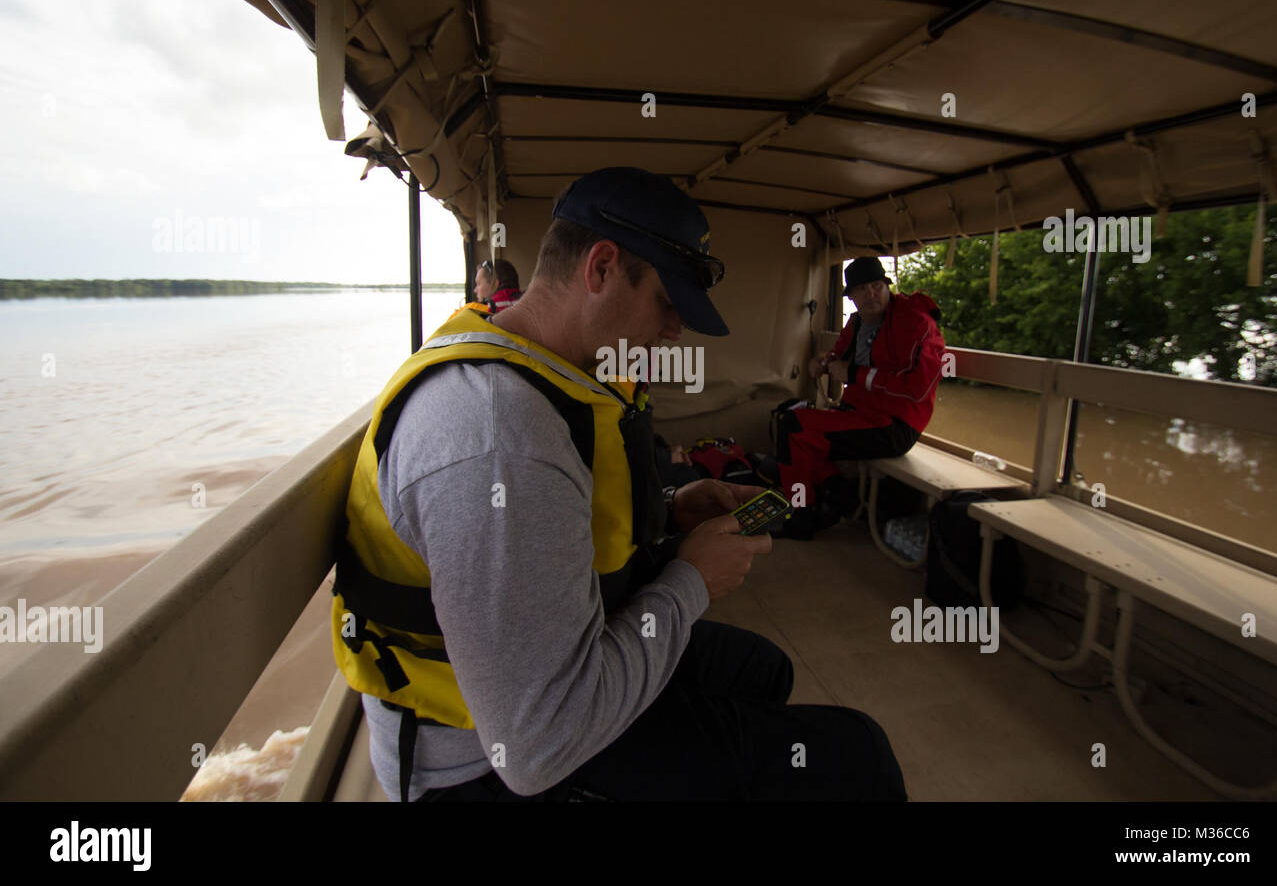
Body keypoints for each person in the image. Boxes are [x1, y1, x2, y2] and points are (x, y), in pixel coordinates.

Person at [331, 167, 907, 801]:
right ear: (600, 269)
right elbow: (539, 746)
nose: (673, 331)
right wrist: (692, 581)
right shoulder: (498, 435)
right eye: (668, 303)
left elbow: (559, 521)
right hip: (479, 766)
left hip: (565, 664)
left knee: (761, 671)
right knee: (862, 758)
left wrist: (671, 505)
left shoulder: (546, 365)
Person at [775, 256, 945, 539]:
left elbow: (919, 387)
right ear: (851, 297)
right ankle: (840, 496)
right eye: (862, 289)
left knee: (795, 427)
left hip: (895, 425)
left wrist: (856, 374)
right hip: (860, 414)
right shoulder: (857, 323)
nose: (871, 294)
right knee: (792, 421)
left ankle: (803, 515)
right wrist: (821, 362)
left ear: (886, 287)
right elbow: (838, 355)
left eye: (877, 286)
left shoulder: (916, 323)